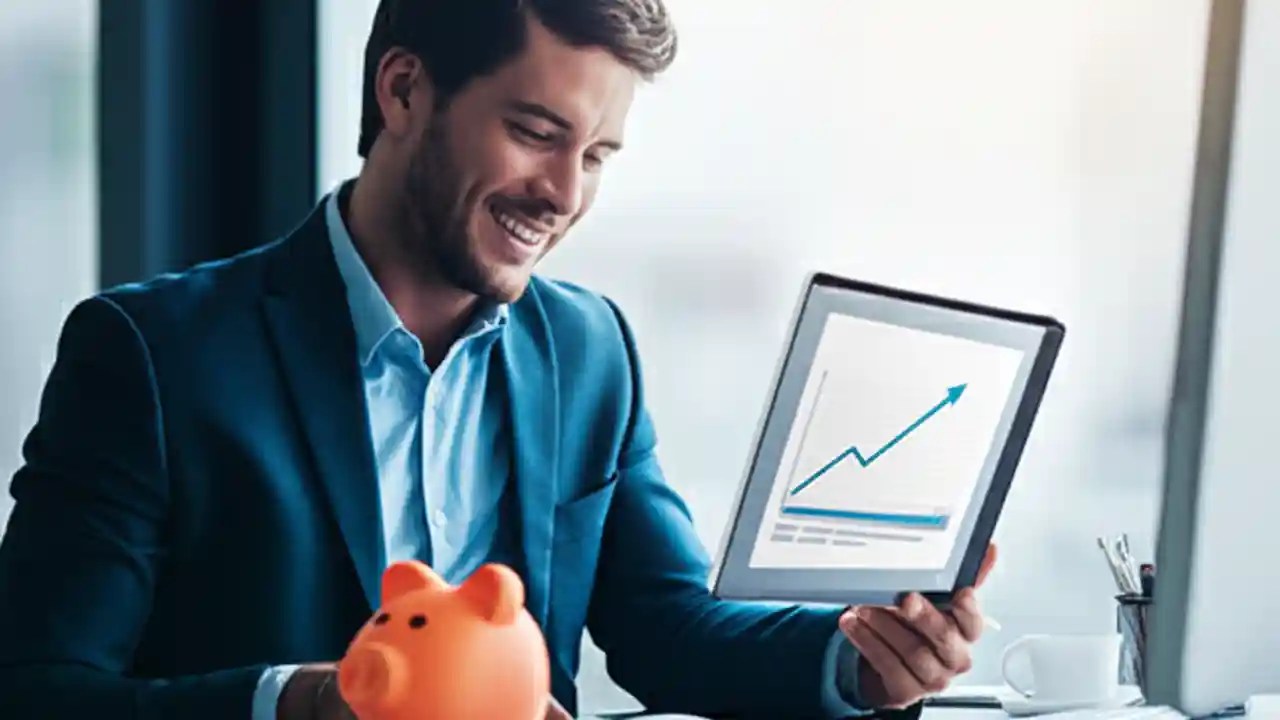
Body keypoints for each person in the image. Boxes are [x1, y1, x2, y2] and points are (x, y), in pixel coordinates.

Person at [0, 1, 998, 718]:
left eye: (597, 154)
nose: (563, 192)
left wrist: (860, 662)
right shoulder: (152, 354)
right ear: (402, 90)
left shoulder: (588, 349)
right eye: (535, 133)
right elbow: (39, 691)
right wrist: (303, 704)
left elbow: (667, 631)